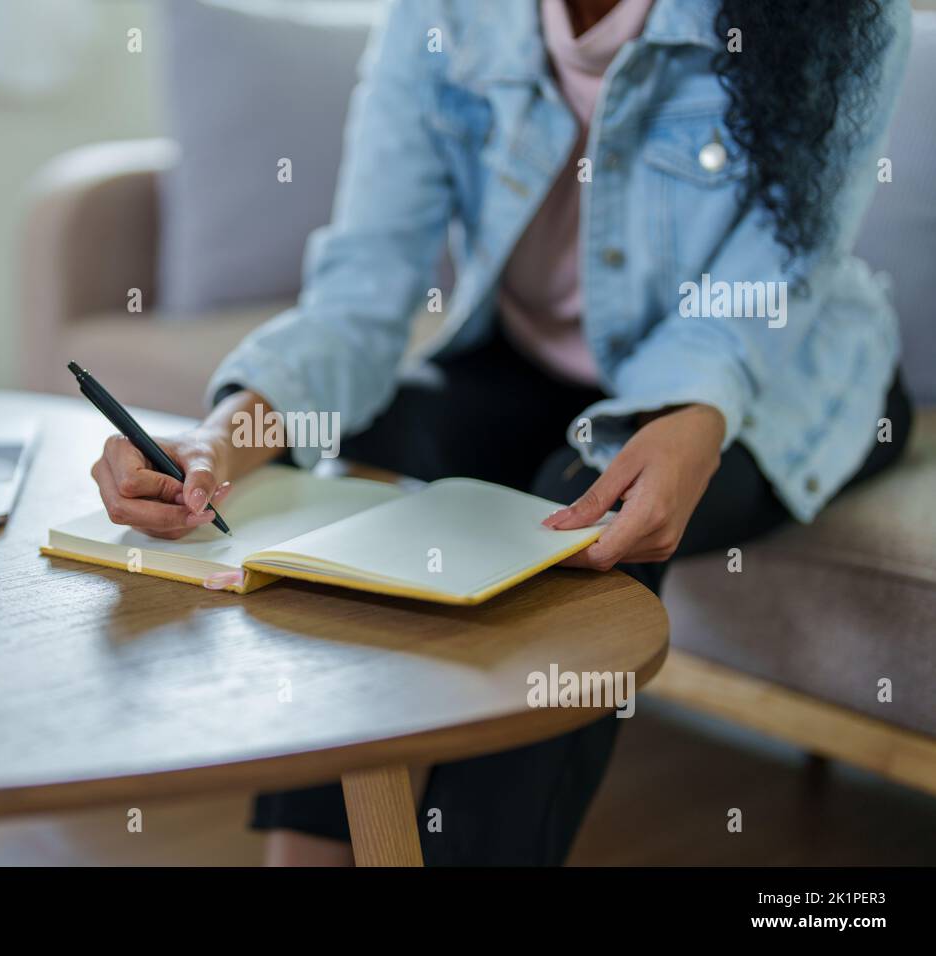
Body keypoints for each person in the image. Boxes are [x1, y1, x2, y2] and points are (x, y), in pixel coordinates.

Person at [88, 0, 914, 865]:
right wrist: (216, 442)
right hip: (537, 366)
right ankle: (311, 851)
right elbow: (363, 288)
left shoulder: (842, 17)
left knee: (581, 521)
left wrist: (694, 417)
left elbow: (763, 294)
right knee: (375, 448)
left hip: (780, 379)